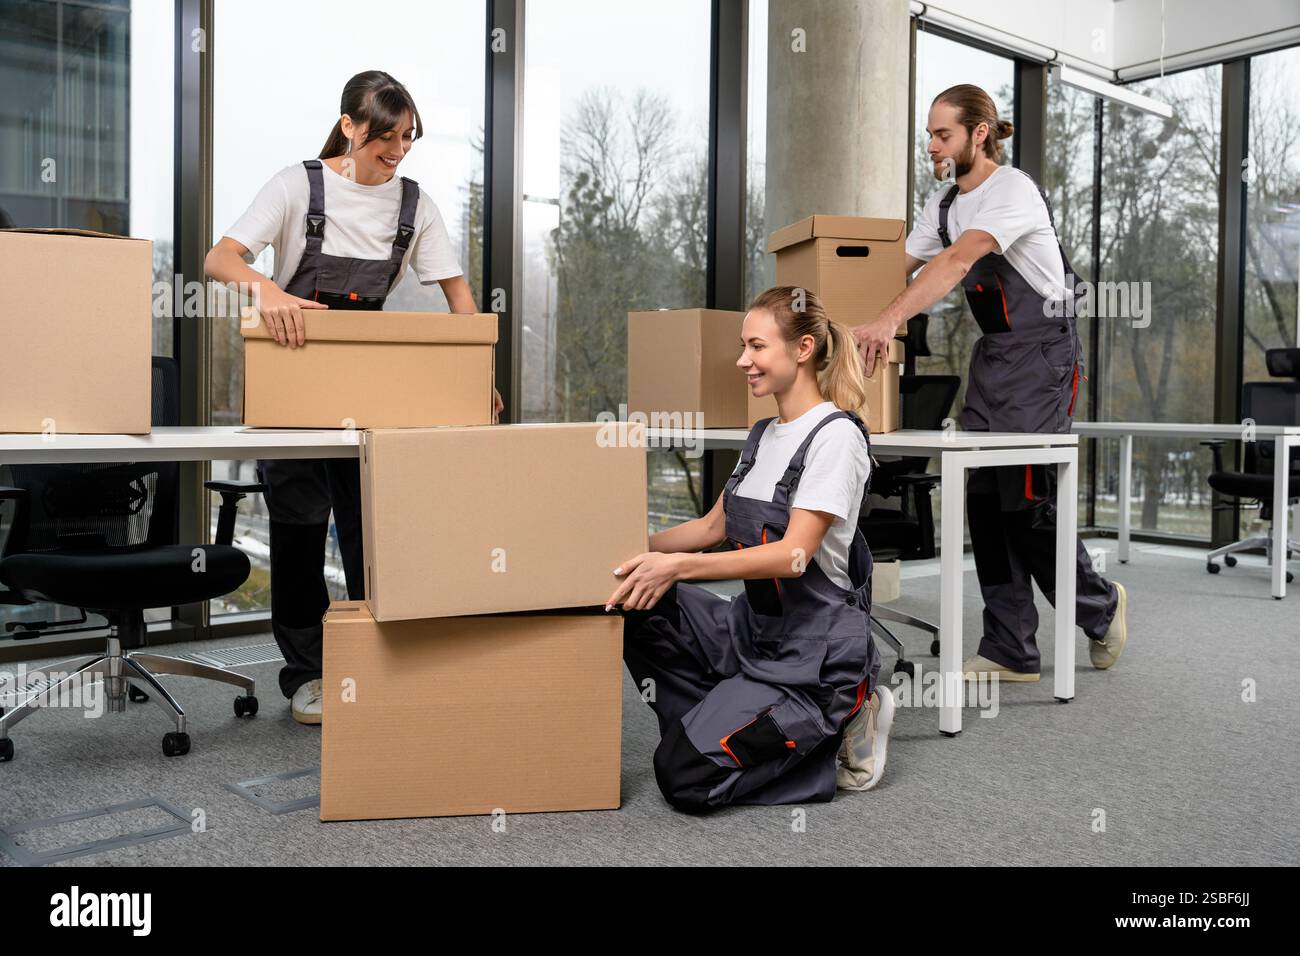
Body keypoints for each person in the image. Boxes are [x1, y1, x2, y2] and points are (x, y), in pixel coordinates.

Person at [205, 70, 502, 723]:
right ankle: (307, 674)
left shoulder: (414, 206)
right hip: (294, 380)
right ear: (349, 126)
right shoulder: (297, 185)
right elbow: (221, 259)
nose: (397, 150)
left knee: (373, 532)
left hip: (371, 387)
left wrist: (478, 378)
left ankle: (377, 661)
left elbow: (458, 298)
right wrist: (270, 292)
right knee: (300, 531)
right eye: (384, 137)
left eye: (407, 138)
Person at [853, 83, 1127, 683]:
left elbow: (953, 263)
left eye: (943, 133)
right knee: (983, 498)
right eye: (928, 134)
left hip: (1043, 355)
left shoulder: (1012, 191)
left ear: (980, 133)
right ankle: (1010, 648)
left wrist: (890, 318)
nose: (933, 145)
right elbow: (891, 263)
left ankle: (1100, 605)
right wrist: (815, 303)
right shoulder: (945, 203)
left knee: (1026, 502)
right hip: (996, 357)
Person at [608, 286, 894, 813]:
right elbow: (711, 526)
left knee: (683, 778)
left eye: (756, 347)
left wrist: (679, 568)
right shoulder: (763, 434)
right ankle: (722, 721)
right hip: (752, 633)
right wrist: (616, 551)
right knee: (628, 596)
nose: (743, 360)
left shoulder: (837, 437)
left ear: (803, 349)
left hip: (812, 659)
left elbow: (793, 556)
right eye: (744, 346)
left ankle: (837, 735)